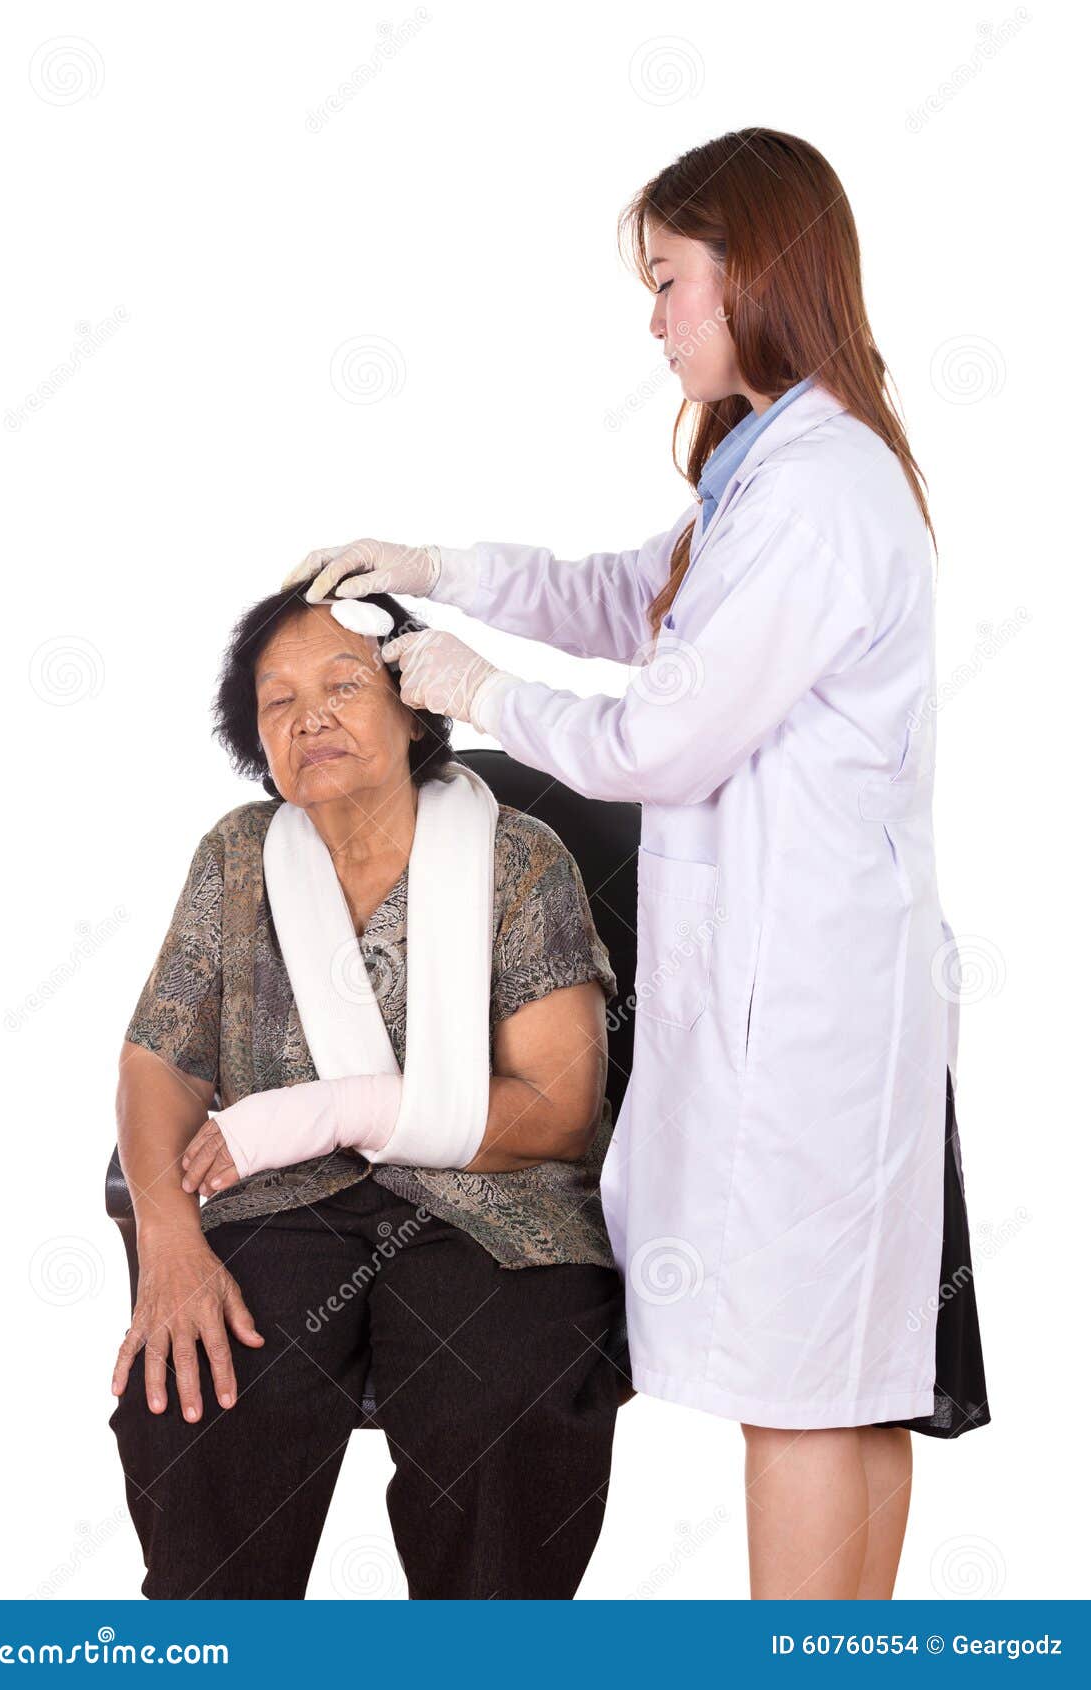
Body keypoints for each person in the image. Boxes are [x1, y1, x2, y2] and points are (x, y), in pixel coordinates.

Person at [285, 127, 991, 1600]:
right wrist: (442, 567)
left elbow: (658, 741)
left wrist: (476, 694)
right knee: (847, 1377)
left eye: (669, 279)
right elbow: (636, 598)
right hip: (821, 1012)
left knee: (799, 1387)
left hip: (797, 1018)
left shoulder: (812, 492)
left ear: (754, 274)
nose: (654, 315)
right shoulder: (781, 463)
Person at [108, 583, 626, 1600]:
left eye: (344, 684)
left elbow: (559, 1110)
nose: (310, 717)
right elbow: (157, 1060)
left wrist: (344, 1108)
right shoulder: (237, 856)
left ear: (414, 706)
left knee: (500, 1412)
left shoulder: (521, 858)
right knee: (193, 1399)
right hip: (287, 1205)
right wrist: (168, 1243)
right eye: (276, 700)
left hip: (496, 1208)